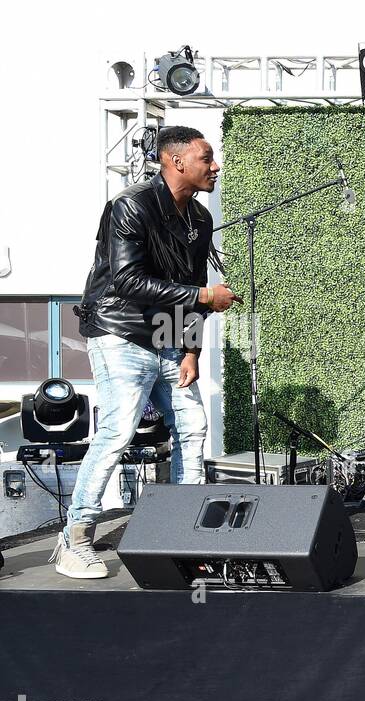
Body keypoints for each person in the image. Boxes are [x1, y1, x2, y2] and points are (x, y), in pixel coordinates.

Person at [55, 126, 239, 579]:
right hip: (118, 330)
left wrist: (191, 350)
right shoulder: (131, 205)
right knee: (118, 429)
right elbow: (127, 281)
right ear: (176, 162)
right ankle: (75, 538)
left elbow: (186, 287)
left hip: (167, 337)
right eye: (206, 158)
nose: (215, 166)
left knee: (192, 426)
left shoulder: (199, 219)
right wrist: (202, 296)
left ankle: (185, 534)